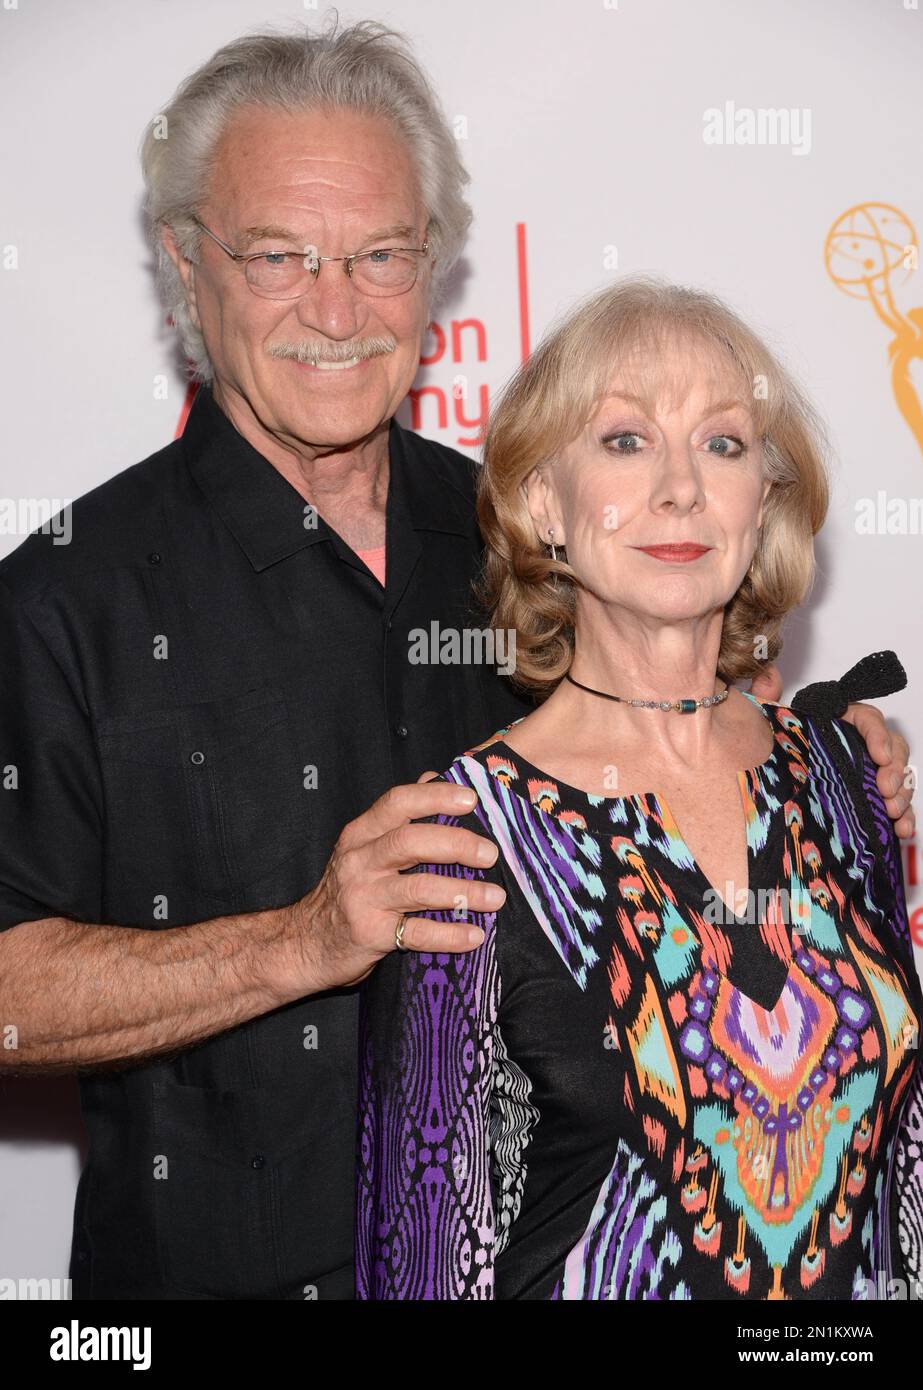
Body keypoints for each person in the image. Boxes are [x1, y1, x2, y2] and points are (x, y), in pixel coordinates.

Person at [0, 23, 912, 1303]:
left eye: (380, 254)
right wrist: (297, 942)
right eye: (278, 256)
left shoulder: (532, 530)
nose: (335, 306)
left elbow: (664, 744)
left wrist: (813, 758)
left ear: (433, 267)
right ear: (183, 263)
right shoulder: (62, 595)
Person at [356, 276, 923, 1300]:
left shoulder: (841, 775)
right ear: (542, 502)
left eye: (721, 443)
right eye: (623, 440)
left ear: (763, 502)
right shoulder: (460, 839)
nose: (679, 489)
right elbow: (423, 1266)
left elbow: (903, 1175)